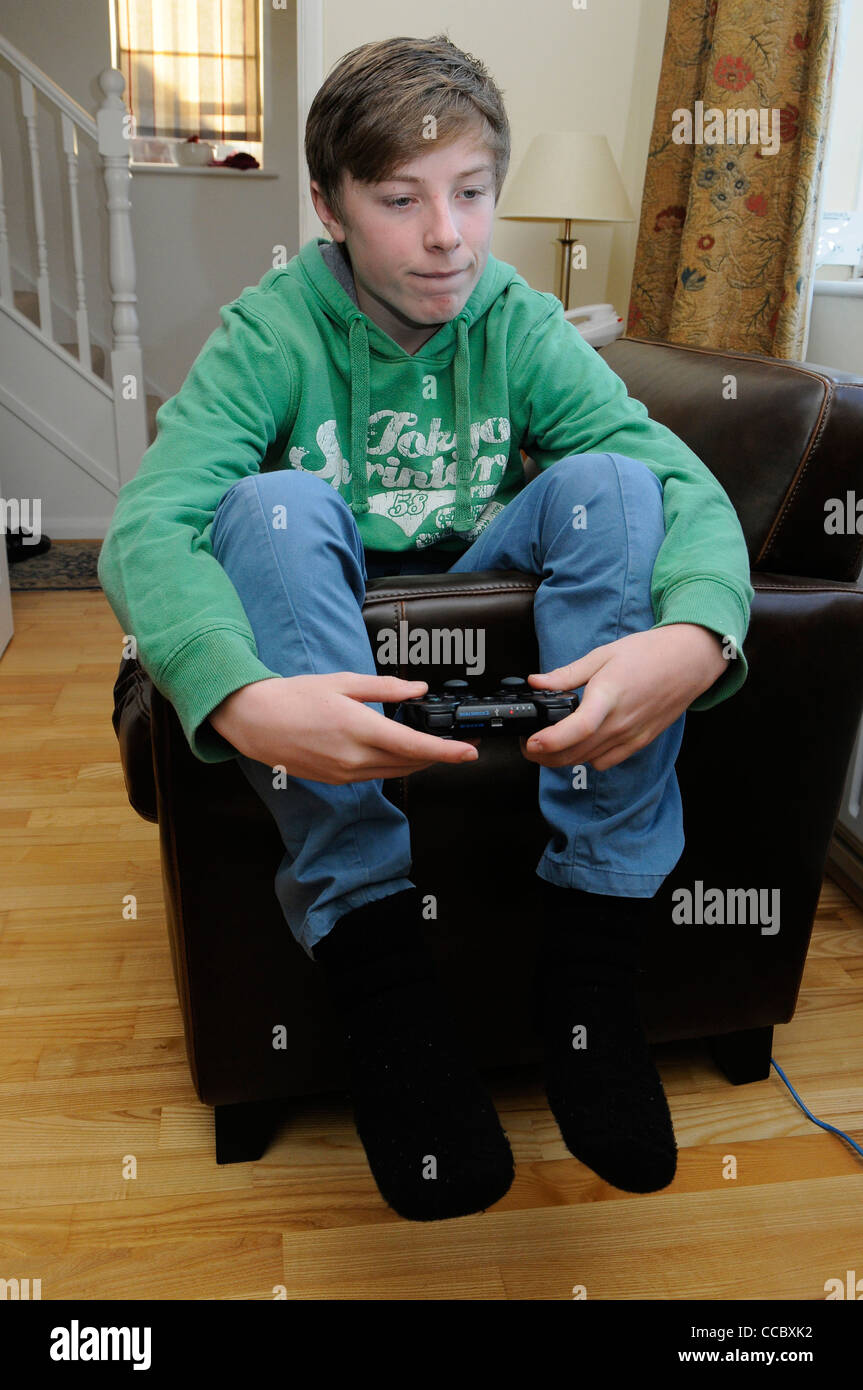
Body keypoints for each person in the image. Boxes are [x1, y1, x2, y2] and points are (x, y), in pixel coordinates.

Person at [98, 33, 753, 1224]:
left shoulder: (520, 319)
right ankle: (385, 990)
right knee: (274, 500)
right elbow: (148, 524)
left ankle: (590, 976)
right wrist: (239, 695)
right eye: (399, 200)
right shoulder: (270, 329)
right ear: (329, 206)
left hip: (486, 601)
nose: (446, 235)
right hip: (327, 613)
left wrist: (697, 637)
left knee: (614, 485)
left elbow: (680, 482)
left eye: (469, 194)